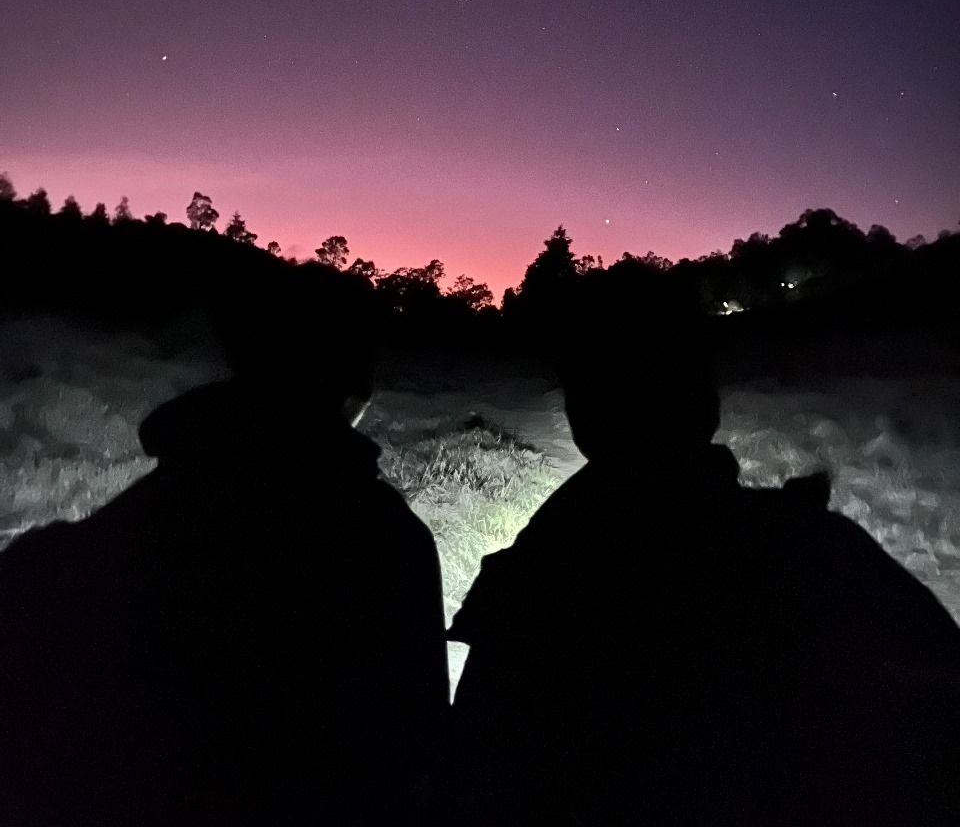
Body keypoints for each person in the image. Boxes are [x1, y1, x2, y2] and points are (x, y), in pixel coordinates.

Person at [448, 289, 960, 825]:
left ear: (581, 421)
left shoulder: (534, 587)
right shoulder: (825, 556)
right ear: (706, 406)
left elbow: (474, 781)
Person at [0, 262, 449, 825]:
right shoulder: (386, 539)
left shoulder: (163, 501)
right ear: (357, 383)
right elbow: (415, 748)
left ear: (241, 362)